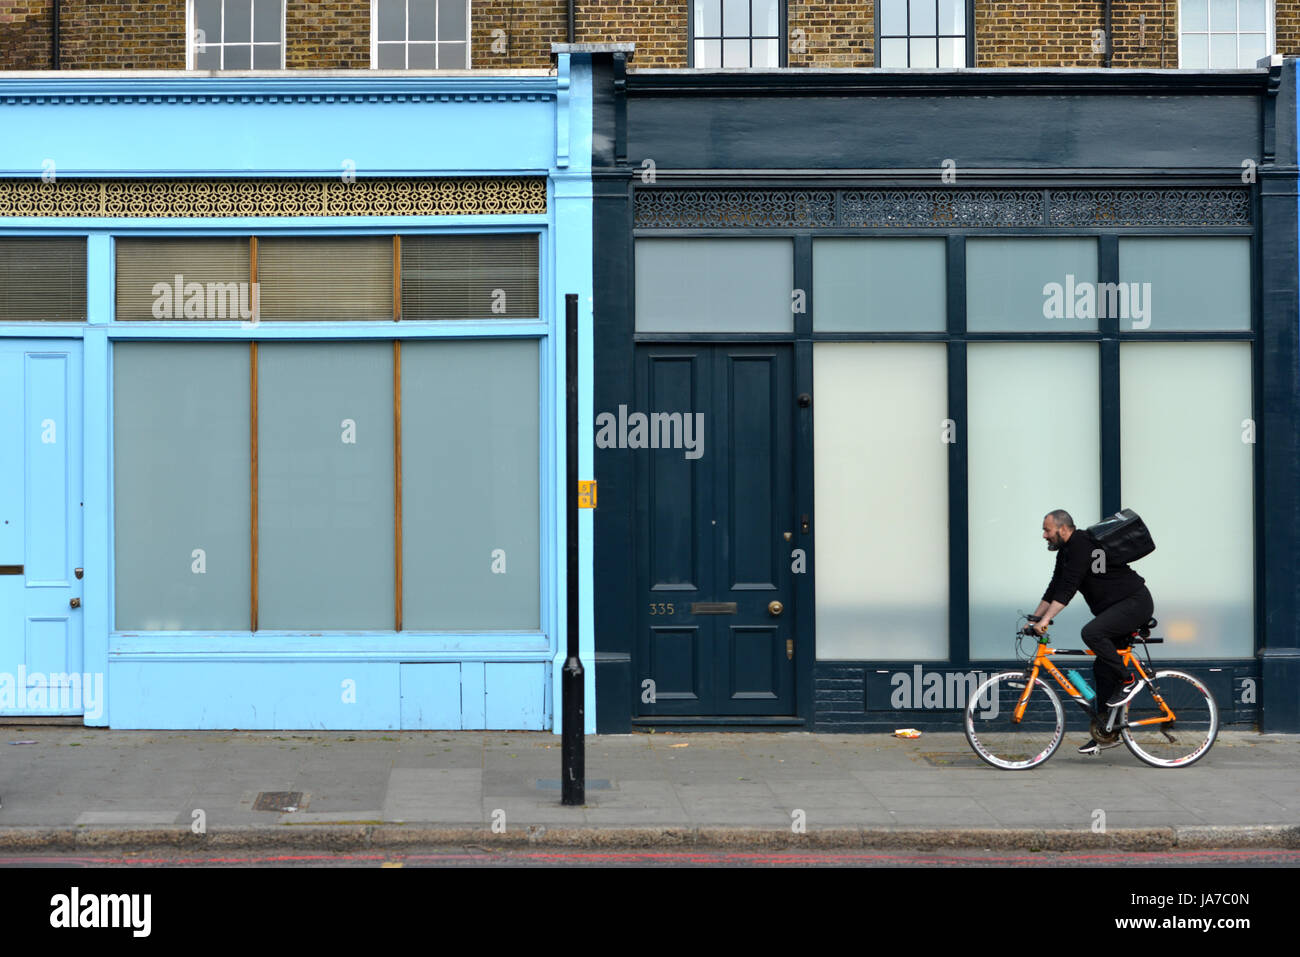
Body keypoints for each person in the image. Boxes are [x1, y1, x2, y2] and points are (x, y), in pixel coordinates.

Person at [1029, 508, 1154, 755]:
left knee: (1092, 634)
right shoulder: (1067, 550)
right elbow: (1054, 586)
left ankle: (1129, 680)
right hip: (1119, 607)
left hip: (1134, 602)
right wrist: (1035, 617)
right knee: (1102, 669)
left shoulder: (1081, 544)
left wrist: (1046, 619)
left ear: (1063, 528)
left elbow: (1068, 588)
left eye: (1047, 530)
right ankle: (1106, 731)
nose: (1044, 535)